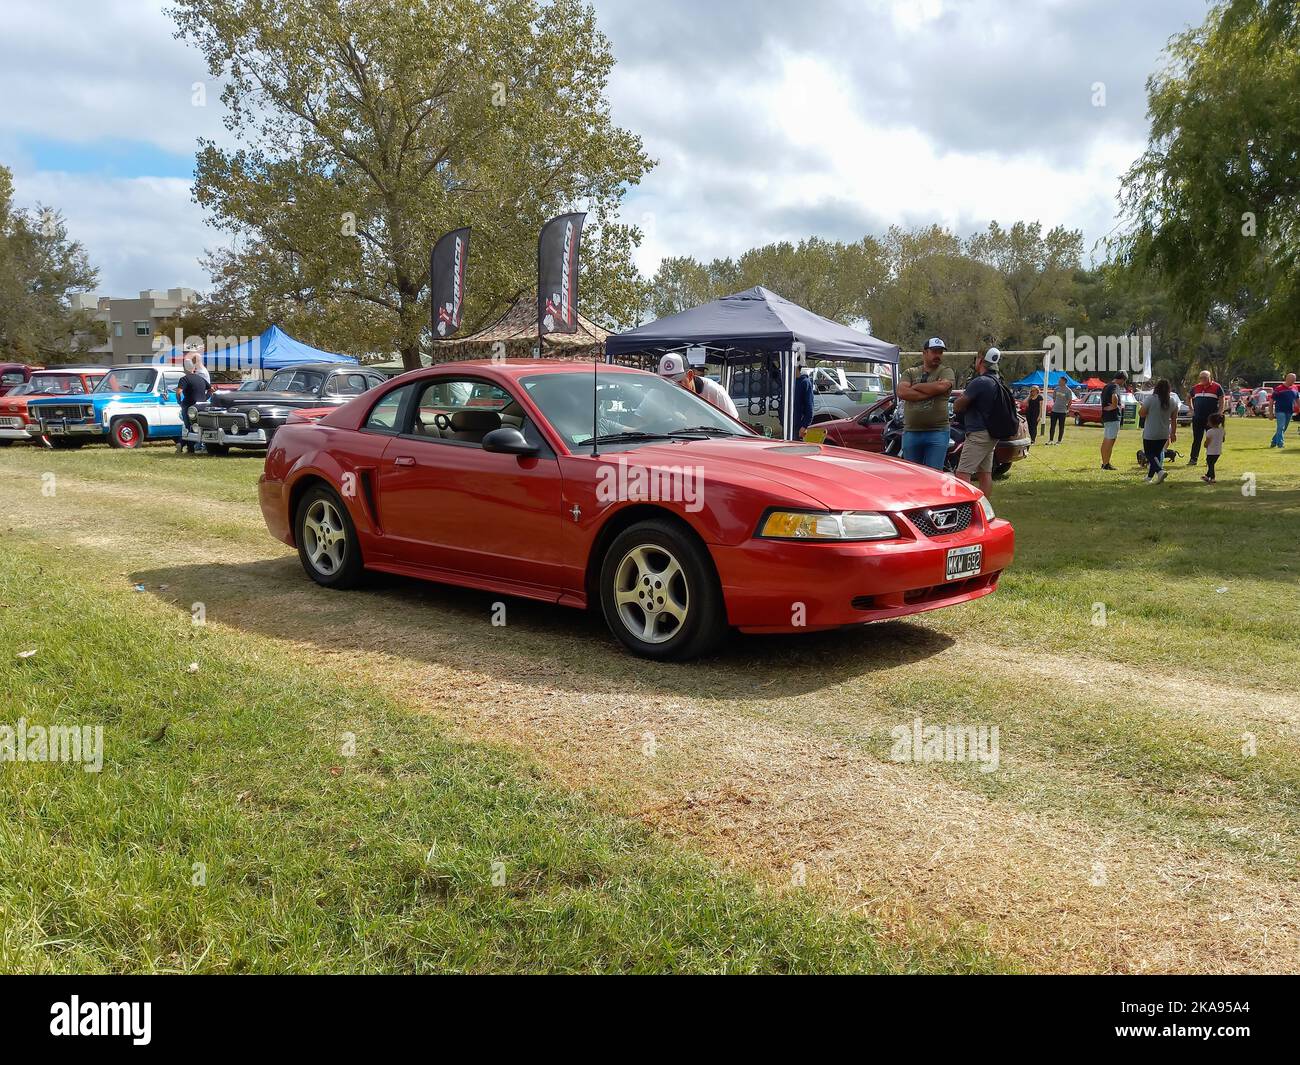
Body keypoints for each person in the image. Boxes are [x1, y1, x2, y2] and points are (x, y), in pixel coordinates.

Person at [896, 337, 955, 469]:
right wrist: (930, 390)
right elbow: (902, 392)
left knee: (934, 473)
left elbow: (942, 387)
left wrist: (916, 386)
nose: (937, 355)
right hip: (912, 431)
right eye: (934, 351)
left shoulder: (946, 371)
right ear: (924, 353)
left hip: (938, 431)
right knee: (913, 474)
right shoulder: (910, 372)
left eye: (940, 352)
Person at [952, 347, 1005, 495]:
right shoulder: (997, 380)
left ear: (981, 360)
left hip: (978, 434)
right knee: (985, 473)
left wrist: (960, 400)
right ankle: (985, 506)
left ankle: (966, 509)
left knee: (962, 474)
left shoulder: (980, 382)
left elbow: (958, 405)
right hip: (991, 433)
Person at [657, 353, 739, 419]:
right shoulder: (657, 393)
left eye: (678, 382)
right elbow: (645, 421)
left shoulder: (714, 391)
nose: (672, 388)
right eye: (666, 382)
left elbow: (736, 424)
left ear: (690, 375)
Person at [1139, 379, 1178, 483]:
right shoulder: (1172, 401)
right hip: (1164, 433)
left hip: (1150, 433)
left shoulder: (1150, 399)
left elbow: (1141, 413)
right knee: (1155, 455)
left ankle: (1160, 471)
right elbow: (1174, 419)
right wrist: (1173, 433)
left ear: (1156, 388)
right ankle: (1149, 477)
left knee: (1149, 454)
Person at [1187, 369, 1225, 466]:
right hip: (1198, 418)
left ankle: (1210, 460)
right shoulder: (1196, 387)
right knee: (1197, 439)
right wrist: (1191, 409)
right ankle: (1193, 459)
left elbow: (1222, 400)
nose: (1202, 379)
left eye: (1205, 377)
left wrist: (1220, 412)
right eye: (1201, 378)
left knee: (1211, 439)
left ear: (1210, 378)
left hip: (1212, 419)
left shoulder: (1217, 387)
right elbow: (1188, 397)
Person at [175, 361, 211, 455]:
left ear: (184, 369)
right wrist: (205, 398)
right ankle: (197, 445)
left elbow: (178, 392)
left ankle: (186, 446)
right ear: (194, 368)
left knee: (188, 427)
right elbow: (211, 389)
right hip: (202, 406)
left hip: (189, 406)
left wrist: (179, 402)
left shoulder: (184, 379)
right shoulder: (201, 379)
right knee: (201, 427)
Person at [1099, 370, 1126, 470]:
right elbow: (1114, 396)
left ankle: (1104, 462)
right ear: (1122, 379)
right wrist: (1114, 406)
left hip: (1106, 416)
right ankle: (1106, 464)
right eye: (1124, 381)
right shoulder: (1115, 386)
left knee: (1106, 440)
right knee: (1110, 441)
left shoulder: (1106, 386)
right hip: (1113, 417)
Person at [1270, 373, 1297, 448]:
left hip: (1289, 411)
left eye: (1294, 380)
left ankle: (1274, 441)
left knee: (1284, 428)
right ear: (1287, 379)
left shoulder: (1295, 388)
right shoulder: (1279, 388)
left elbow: (1297, 399)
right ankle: (1280, 444)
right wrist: (1271, 413)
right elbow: (1271, 401)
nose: (1293, 381)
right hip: (1280, 411)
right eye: (1292, 379)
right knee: (1281, 427)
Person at [793, 350, 815, 438]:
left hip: (798, 426)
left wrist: (804, 426)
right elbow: (774, 375)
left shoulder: (805, 382)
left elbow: (809, 407)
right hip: (787, 424)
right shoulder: (787, 381)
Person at [1047, 377, 1073, 445]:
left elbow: (1070, 401)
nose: (1059, 381)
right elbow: (1054, 398)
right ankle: (1051, 440)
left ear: (1064, 381)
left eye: (1060, 380)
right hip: (1054, 410)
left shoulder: (1068, 390)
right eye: (1059, 380)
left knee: (1061, 426)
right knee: (1052, 426)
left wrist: (1067, 409)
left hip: (1062, 411)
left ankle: (1059, 441)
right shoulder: (1056, 389)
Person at [1202, 413, 1224, 484]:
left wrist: (1205, 445)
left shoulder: (1210, 431)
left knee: (1210, 464)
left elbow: (1207, 442)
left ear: (1211, 422)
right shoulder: (1222, 430)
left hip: (1211, 451)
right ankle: (1207, 476)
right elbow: (1223, 440)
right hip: (1218, 451)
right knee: (1211, 464)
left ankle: (1213, 478)